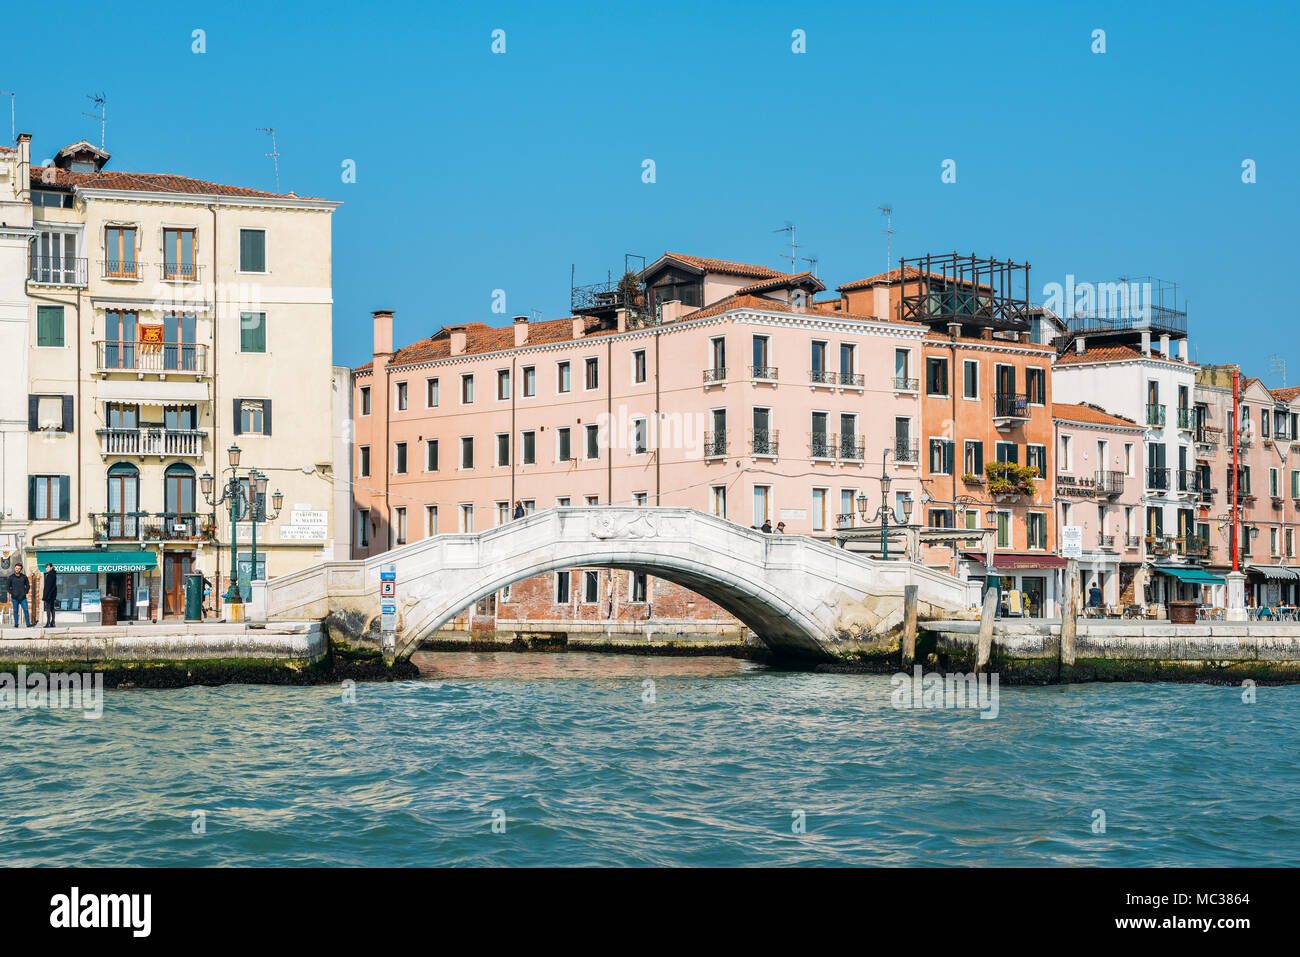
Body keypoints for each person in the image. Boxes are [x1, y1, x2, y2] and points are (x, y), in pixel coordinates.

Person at [8, 563, 32, 628]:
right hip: (14, 598)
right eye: (16, 568)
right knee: (15, 611)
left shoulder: (24, 577)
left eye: (19, 568)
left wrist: (25, 592)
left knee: (26, 610)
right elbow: (8, 587)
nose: (17, 569)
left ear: (21, 569)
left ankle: (28, 624)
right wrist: (12, 593)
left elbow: (28, 585)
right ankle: (16, 624)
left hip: (23, 598)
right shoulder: (11, 577)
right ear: (14, 568)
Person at [41, 563, 58, 628]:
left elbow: (49, 586)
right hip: (52, 594)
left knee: (48, 608)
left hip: (49, 595)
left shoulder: (50, 575)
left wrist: (47, 595)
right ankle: (52, 622)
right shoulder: (52, 574)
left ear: (51, 567)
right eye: (46, 568)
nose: (46, 569)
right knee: (52, 608)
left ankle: (48, 622)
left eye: (48, 567)